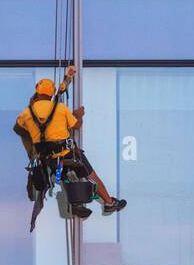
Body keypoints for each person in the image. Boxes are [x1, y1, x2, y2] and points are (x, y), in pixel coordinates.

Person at [14, 65, 126, 220]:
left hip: (47, 159)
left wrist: (35, 135)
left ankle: (76, 203)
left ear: (37, 93)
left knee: (65, 173)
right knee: (89, 174)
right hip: (68, 153)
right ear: (51, 93)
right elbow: (76, 126)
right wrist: (79, 115)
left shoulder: (26, 113)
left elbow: (18, 128)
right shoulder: (59, 108)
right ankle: (108, 202)